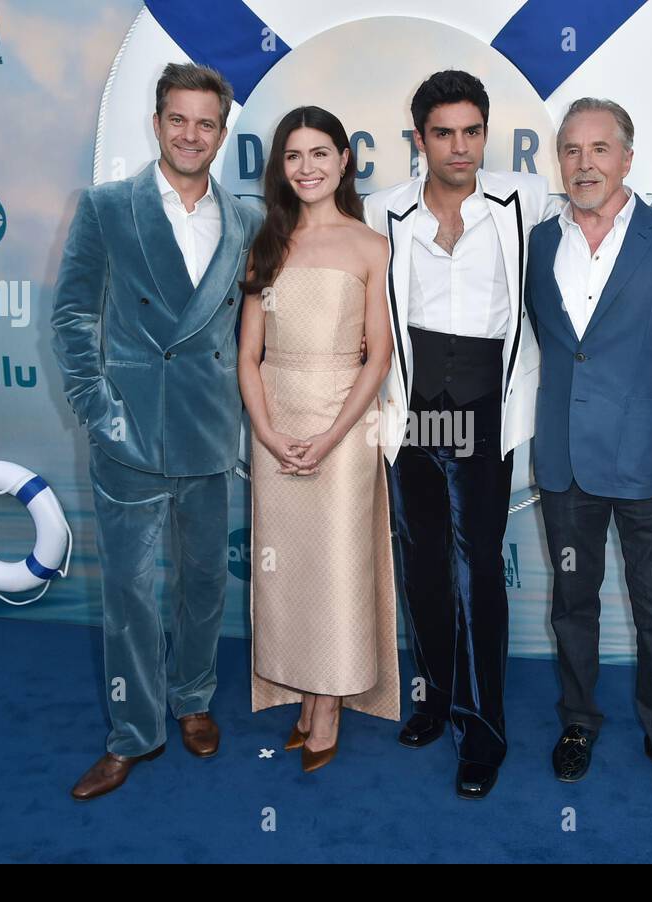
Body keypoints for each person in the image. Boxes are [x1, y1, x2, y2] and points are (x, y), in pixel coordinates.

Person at [363, 72, 652, 799]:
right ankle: (470, 702)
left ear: (627, 157)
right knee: (439, 570)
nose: (460, 146)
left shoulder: (536, 207)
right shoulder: (397, 213)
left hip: (534, 425)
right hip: (431, 412)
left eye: (472, 132)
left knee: (511, 579)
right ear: (420, 139)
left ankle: (628, 734)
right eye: (444, 132)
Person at [51, 64, 262, 801]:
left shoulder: (245, 221)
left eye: (206, 123)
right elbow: (74, 315)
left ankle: (194, 695)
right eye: (179, 119)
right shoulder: (108, 207)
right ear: (157, 121)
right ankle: (133, 732)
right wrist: (100, 410)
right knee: (132, 594)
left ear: (222, 133)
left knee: (204, 582)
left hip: (209, 432)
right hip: (129, 434)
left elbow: (259, 329)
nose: (191, 134)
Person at [526, 98, 652, 806]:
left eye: (600, 149)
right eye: (573, 151)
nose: (586, 164)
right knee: (572, 604)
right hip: (566, 464)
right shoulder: (538, 243)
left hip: (651, 464)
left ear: (628, 159)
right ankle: (579, 720)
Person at [238, 106, 397, 772]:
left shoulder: (370, 245)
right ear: (281, 167)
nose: (307, 168)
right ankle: (301, 692)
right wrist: (268, 434)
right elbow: (248, 355)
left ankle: (329, 702)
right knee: (288, 572)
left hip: (344, 425)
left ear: (344, 161)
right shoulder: (268, 243)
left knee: (335, 568)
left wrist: (332, 435)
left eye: (320, 153)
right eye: (294, 156)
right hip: (276, 424)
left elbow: (379, 356)